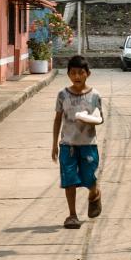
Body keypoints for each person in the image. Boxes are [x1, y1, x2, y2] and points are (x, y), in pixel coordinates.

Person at [52, 54, 104, 229]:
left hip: (89, 145)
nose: (77, 77)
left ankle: (94, 194)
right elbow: (58, 119)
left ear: (88, 73)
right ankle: (72, 215)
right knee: (69, 180)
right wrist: (54, 145)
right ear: (68, 74)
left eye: (80, 73)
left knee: (89, 178)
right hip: (67, 145)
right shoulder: (62, 95)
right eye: (73, 73)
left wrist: (89, 120)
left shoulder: (95, 95)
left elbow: (100, 118)